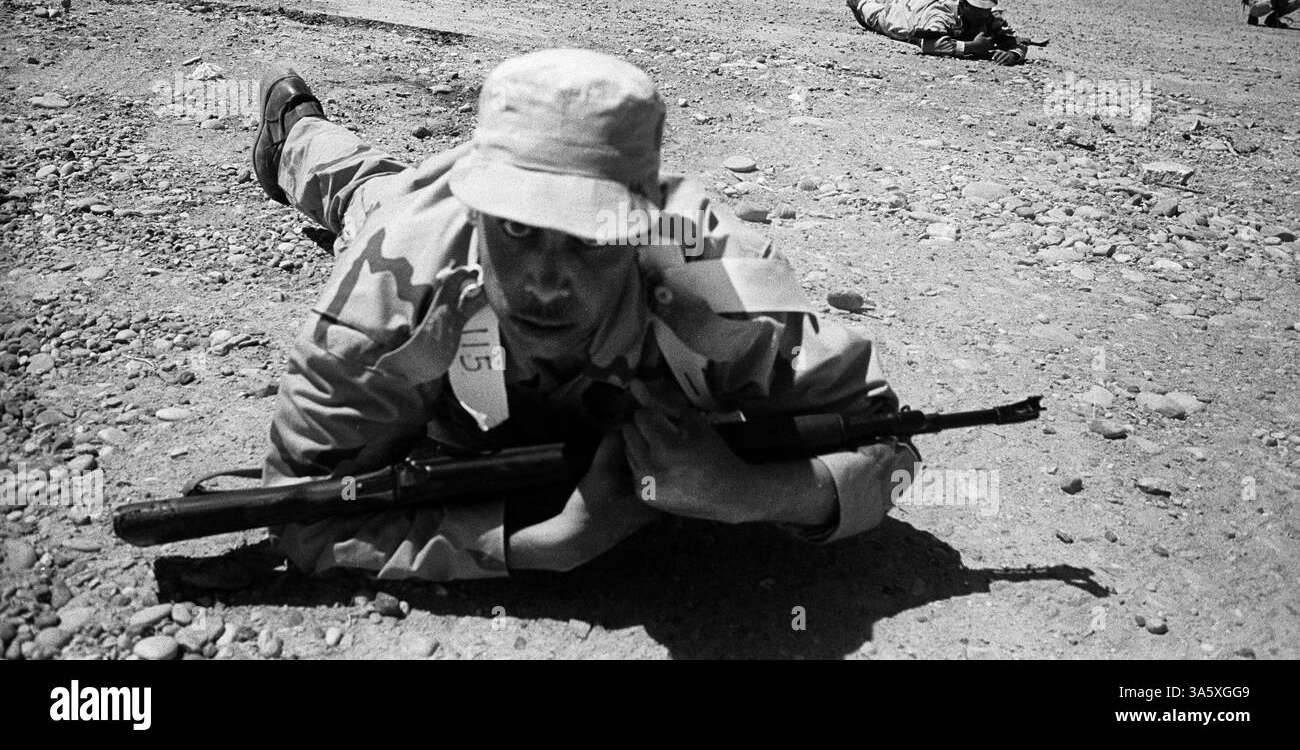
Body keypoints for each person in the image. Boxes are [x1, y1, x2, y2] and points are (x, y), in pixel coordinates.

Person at [252, 48, 920, 580]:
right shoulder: (389, 299)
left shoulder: (724, 298)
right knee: (364, 187)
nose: (546, 282)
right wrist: (537, 546)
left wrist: (749, 493)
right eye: (517, 230)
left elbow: (892, 442)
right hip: (406, 214)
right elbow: (300, 513)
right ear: (479, 211)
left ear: (640, 233)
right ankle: (297, 131)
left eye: (589, 239)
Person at [846, 0, 1029, 65]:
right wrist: (971, 47)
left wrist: (1013, 54)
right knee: (880, 17)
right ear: (964, 2)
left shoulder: (989, 17)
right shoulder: (942, 14)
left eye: (985, 7)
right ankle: (857, 1)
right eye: (977, 7)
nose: (983, 12)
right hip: (911, 10)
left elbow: (1014, 42)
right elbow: (928, 44)